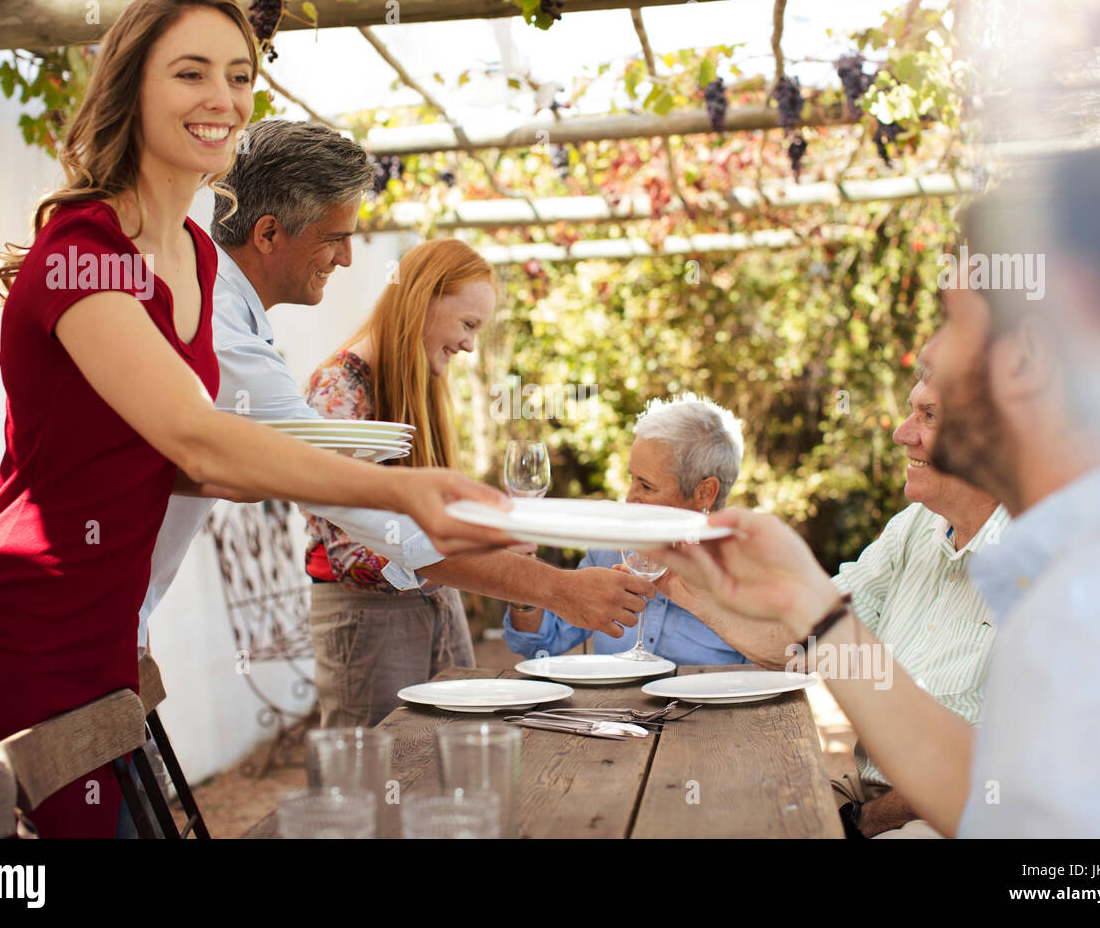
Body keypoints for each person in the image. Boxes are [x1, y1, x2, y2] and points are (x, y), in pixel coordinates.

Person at [0, 0, 509, 840]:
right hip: (19, 636)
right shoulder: (83, 254)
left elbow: (194, 462)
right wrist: (400, 493)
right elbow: (198, 437)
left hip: (110, 643)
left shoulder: (197, 253)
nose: (223, 99)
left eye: (239, 76)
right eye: (190, 72)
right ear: (132, 87)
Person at [652, 149, 1100, 837]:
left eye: (951, 320)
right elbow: (994, 790)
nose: (931, 353)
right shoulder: (1085, 554)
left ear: (1025, 359)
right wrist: (805, 600)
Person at [136, 121, 653, 666]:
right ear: (267, 235)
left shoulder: (223, 309)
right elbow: (364, 512)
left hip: (123, 616)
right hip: (89, 614)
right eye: (335, 238)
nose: (348, 259)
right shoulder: (227, 333)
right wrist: (558, 590)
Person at [300, 239, 656, 726]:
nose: (469, 345)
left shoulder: (414, 386)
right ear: (423, 297)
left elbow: (422, 528)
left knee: (443, 765)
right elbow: (358, 552)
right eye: (467, 325)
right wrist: (509, 560)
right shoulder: (338, 391)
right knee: (376, 780)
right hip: (369, 620)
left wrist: (489, 545)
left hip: (437, 604)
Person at [664, 346, 1008, 838]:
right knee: (720, 807)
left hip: (940, 820)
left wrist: (860, 824)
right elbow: (803, 641)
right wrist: (683, 586)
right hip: (867, 797)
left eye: (928, 416)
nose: (901, 432)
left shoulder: (1046, 566)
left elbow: (995, 774)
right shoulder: (913, 529)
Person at [504, 394, 750, 665]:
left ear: (705, 492)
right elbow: (541, 643)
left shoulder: (750, 576)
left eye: (646, 486)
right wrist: (521, 568)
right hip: (612, 708)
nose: (630, 499)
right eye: (632, 480)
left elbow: (767, 682)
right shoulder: (611, 551)